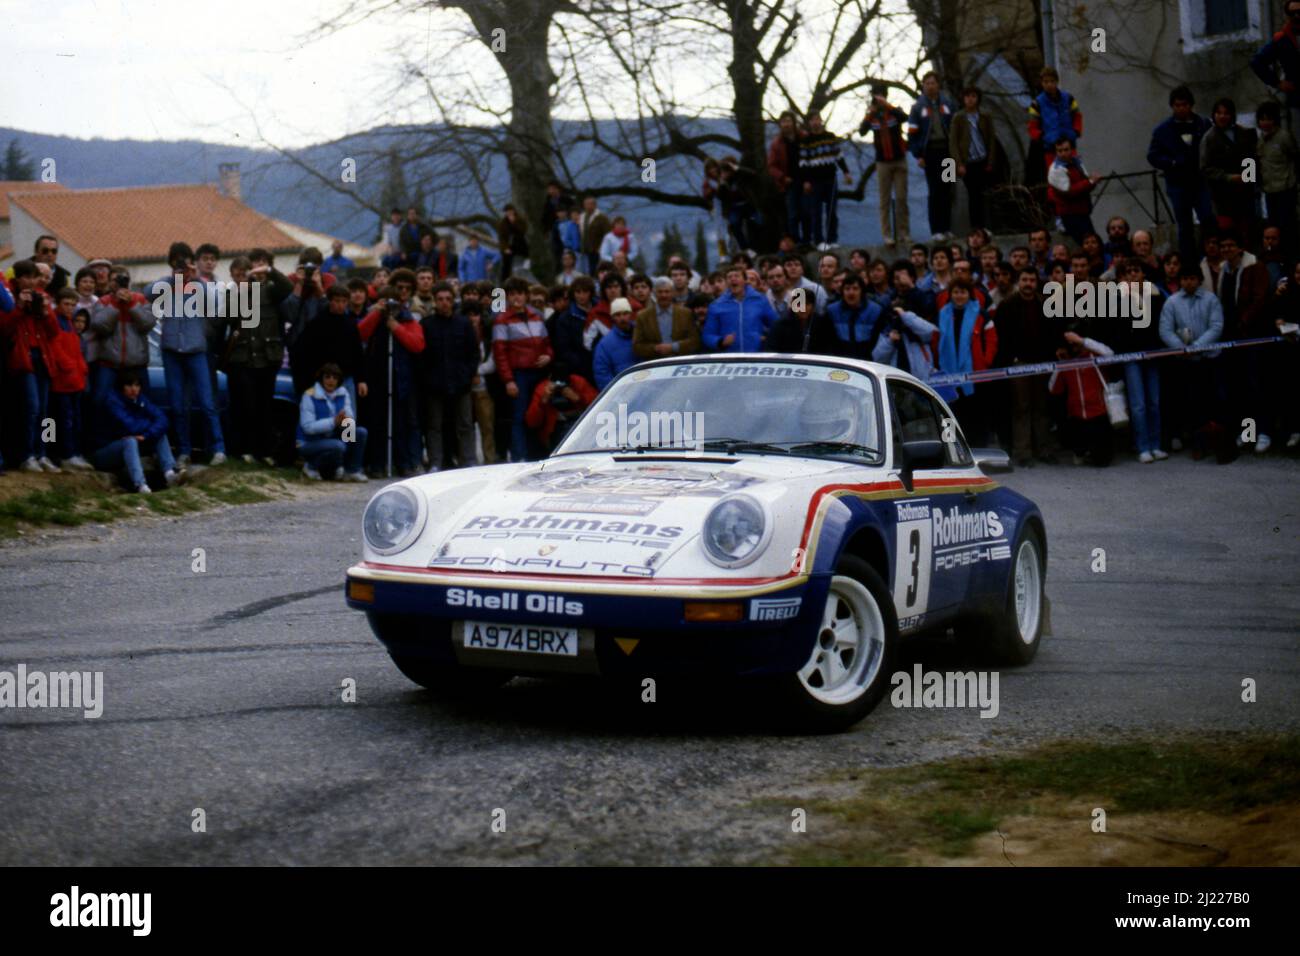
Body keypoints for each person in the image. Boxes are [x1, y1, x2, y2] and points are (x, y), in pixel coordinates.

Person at [223, 257, 290, 466]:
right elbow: (227, 317)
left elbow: (287, 287)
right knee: (245, 408)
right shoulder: (231, 294)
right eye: (238, 274)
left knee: (265, 408)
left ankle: (266, 452)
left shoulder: (268, 290)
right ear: (233, 275)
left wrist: (269, 270)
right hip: (242, 359)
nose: (242, 277)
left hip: (266, 358)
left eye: (246, 273)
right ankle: (245, 450)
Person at [358, 272, 426, 476]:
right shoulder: (373, 316)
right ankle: (377, 464)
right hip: (377, 378)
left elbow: (418, 345)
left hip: (400, 379)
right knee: (377, 423)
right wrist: (377, 313)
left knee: (401, 424)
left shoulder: (407, 318)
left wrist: (395, 327)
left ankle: (402, 462)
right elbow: (360, 334)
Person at [1160, 264, 1227, 461]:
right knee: (1192, 404)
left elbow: (1216, 327)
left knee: (1215, 401)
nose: (1188, 282)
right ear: (1180, 281)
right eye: (1185, 278)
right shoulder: (1171, 302)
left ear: (1199, 280)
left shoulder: (1211, 299)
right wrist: (1182, 348)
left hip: (1211, 359)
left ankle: (1220, 444)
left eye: (1192, 278)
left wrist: (1196, 346)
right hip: (1186, 362)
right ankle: (1198, 445)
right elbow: (1165, 330)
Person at [993, 268, 1057, 465]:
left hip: (1041, 362)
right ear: (1018, 282)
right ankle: (1023, 453)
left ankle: (1044, 449)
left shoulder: (1045, 304)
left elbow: (1052, 332)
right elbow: (1001, 336)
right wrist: (1010, 359)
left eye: (1032, 280)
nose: (1028, 283)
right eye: (1024, 280)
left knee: (1042, 406)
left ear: (1037, 282)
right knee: (1021, 407)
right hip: (1018, 362)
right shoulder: (1007, 305)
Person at [1147, 86, 1215, 262]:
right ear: (1172, 106)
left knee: (1207, 218)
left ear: (1190, 105)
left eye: (1184, 105)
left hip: (1200, 182)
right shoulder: (1163, 130)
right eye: (1177, 105)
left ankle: (1210, 255)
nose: (1181, 109)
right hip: (1178, 184)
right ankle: (1189, 261)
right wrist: (1172, 163)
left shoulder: (1203, 124)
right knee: (1184, 226)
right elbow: (1152, 155)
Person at [418, 282, 479, 471]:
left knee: (465, 424)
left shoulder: (463, 323)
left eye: (448, 299)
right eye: (440, 299)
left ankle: (468, 460)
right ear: (435, 302)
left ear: (453, 301)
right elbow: (422, 355)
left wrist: (468, 375)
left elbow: (473, 352)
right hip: (434, 385)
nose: (444, 303)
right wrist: (427, 378)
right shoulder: (426, 324)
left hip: (461, 383)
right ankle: (436, 461)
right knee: (434, 426)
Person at [1111, 260, 1167, 463]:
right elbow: (1115, 329)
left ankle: (1156, 444)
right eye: (1128, 271)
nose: (1133, 274)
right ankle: (1142, 447)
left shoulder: (1156, 295)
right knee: (1138, 404)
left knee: (1154, 401)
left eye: (1136, 270)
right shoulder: (1117, 298)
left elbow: (1162, 323)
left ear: (1144, 274)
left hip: (1152, 353)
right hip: (1130, 355)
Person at [492, 276, 553, 462]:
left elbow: (547, 343)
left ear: (526, 295)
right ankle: (519, 457)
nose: (516, 298)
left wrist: (548, 356)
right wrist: (509, 380)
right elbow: (499, 353)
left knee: (538, 413)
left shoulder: (537, 316)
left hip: (539, 372)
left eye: (520, 293)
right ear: (507, 297)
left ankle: (538, 455)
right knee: (519, 417)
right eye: (512, 294)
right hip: (519, 374)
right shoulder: (502, 320)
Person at [92, 369, 183, 492]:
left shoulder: (141, 399)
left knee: (159, 433)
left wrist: (147, 435)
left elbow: (163, 419)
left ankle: (170, 474)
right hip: (105, 451)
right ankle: (140, 485)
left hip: (134, 442)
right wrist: (149, 427)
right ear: (121, 387)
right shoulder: (112, 401)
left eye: (137, 385)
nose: (134, 389)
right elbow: (131, 426)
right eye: (129, 385)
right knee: (130, 441)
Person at [931, 279, 997, 442]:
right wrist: (936, 363)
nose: (959, 296)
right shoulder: (942, 314)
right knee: (948, 411)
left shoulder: (981, 314)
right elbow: (935, 340)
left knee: (975, 412)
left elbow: (992, 340)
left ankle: (977, 447)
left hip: (975, 374)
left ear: (970, 294)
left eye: (963, 292)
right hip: (947, 374)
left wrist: (985, 360)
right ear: (950, 294)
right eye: (956, 292)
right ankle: (951, 448)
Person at [88, 266, 155, 403]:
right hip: (109, 364)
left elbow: (148, 324)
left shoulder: (140, 300)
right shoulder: (104, 302)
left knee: (144, 402)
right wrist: (115, 305)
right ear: (109, 282)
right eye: (115, 280)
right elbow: (99, 326)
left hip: (136, 365)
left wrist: (131, 305)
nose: (119, 283)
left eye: (123, 279)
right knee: (100, 401)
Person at [1049, 327, 1114, 466]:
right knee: (1077, 448)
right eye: (1071, 344)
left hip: (1099, 413)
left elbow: (1110, 354)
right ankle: (1080, 450)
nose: (1074, 347)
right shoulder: (1066, 363)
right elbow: (1053, 389)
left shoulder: (1094, 355)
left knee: (1102, 461)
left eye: (1076, 344)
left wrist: (1081, 340)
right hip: (1077, 417)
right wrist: (1060, 364)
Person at [907, 71, 958, 240]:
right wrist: (918, 155)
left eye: (933, 83)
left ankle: (947, 228)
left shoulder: (948, 104)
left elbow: (955, 128)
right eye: (927, 83)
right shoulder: (917, 108)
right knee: (935, 190)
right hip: (930, 153)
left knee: (947, 188)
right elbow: (912, 134)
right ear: (923, 85)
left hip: (947, 152)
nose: (930, 86)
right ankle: (936, 230)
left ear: (938, 85)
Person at [1199, 98, 1259, 239]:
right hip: (1222, 196)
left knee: (1248, 231)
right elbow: (1205, 168)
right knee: (1227, 234)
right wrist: (1228, 177)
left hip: (1245, 193)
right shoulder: (1209, 138)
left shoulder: (1244, 133)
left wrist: (1248, 178)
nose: (1222, 116)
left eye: (1226, 113)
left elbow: (1251, 157)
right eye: (1219, 113)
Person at [297, 362, 367, 481]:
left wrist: (346, 420)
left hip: (332, 437)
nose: (331, 381)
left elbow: (350, 416)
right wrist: (333, 422)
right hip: (309, 442)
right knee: (338, 445)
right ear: (321, 378)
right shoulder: (309, 395)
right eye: (327, 377)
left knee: (359, 432)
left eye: (335, 378)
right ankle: (311, 467)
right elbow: (307, 427)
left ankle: (351, 470)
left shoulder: (343, 393)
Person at [860, 84, 911, 247]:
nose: (878, 98)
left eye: (881, 95)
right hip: (882, 162)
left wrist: (887, 106)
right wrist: (870, 114)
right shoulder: (871, 116)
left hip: (899, 159)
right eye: (876, 95)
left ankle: (904, 233)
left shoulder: (895, 112)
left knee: (901, 197)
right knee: (884, 200)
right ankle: (887, 235)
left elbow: (905, 118)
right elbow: (862, 131)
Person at [48, 289, 91, 470]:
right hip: (61, 380)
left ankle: (72, 452)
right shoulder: (55, 321)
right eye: (66, 303)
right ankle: (58, 453)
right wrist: (70, 366)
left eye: (73, 305)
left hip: (74, 380)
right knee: (56, 419)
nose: (70, 308)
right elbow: (55, 348)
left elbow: (76, 351)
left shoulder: (69, 324)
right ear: (58, 303)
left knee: (73, 418)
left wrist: (81, 368)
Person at [950, 86, 1002, 232]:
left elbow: (992, 139)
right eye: (967, 96)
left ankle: (989, 226)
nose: (970, 99)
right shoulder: (958, 117)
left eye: (973, 96)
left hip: (983, 160)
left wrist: (991, 161)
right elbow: (953, 142)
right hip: (968, 162)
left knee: (987, 194)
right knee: (973, 195)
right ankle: (976, 227)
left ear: (978, 98)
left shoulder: (985, 116)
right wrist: (959, 163)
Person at [799, 110, 852, 250]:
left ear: (821, 121)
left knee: (832, 211)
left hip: (830, 178)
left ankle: (832, 239)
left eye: (818, 119)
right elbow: (803, 163)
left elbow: (839, 156)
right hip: (815, 180)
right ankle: (819, 240)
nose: (816, 122)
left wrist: (846, 171)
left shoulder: (830, 137)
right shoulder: (806, 141)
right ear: (809, 123)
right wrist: (806, 181)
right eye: (813, 120)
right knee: (816, 211)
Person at [1255, 100, 1299, 258]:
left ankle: (1291, 257)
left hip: (1286, 189)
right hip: (1269, 190)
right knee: (1273, 229)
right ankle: (1274, 257)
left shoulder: (1284, 137)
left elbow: (1295, 157)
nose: (1265, 123)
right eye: (1262, 119)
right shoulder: (1259, 140)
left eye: (1269, 119)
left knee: (1288, 227)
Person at [702, 264, 779, 352]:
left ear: (745, 280)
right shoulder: (716, 305)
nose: (733, 279)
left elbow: (776, 326)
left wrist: (766, 339)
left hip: (756, 357)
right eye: (729, 277)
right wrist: (720, 342)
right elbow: (708, 335)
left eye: (737, 276)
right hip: (729, 359)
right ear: (727, 282)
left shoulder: (760, 300)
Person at [1250, 0, 1300, 132]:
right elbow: (1257, 62)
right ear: (1287, 15)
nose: (1297, 16)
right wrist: (1277, 82)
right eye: (1292, 13)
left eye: (1299, 12)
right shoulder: (1282, 39)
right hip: (1297, 101)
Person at [525, 363, 596, 453]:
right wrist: (543, 402)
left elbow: (599, 404)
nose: (559, 386)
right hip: (555, 430)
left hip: (579, 424)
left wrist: (579, 398)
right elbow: (532, 422)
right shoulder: (543, 388)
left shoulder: (578, 382)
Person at [1047, 137, 1103, 243]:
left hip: (1082, 211)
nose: (1063, 153)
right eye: (1060, 151)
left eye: (1066, 150)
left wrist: (1092, 182)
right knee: (1085, 243)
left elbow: (1084, 184)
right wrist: (1090, 182)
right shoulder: (1056, 170)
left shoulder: (1076, 162)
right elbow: (1069, 192)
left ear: (1071, 149)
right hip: (1070, 215)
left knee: (1090, 242)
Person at [633, 277, 701, 361]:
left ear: (673, 293)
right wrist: (655, 348)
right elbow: (637, 346)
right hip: (654, 364)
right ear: (654, 293)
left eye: (667, 292)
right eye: (660, 292)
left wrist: (673, 347)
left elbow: (695, 341)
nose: (663, 295)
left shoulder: (686, 313)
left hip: (681, 363)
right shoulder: (643, 316)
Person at [1027, 66, 1083, 168]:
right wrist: (1043, 137)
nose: (1049, 84)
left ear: (1057, 81)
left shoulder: (1068, 98)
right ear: (1042, 83)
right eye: (1045, 82)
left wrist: (1076, 131)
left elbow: (1077, 116)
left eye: (1052, 81)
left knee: (1074, 176)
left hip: (1070, 146)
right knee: (1056, 179)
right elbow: (1032, 127)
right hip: (1051, 149)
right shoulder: (1037, 104)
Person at [823, 274, 884, 361]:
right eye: (847, 289)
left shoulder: (876, 310)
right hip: (839, 358)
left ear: (862, 291)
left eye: (855, 289)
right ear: (842, 292)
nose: (851, 292)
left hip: (868, 358)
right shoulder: (831, 310)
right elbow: (828, 341)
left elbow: (878, 341)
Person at [464, 300, 497, 464]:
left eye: (475, 315)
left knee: (487, 427)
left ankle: (489, 459)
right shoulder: (461, 333)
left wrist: (477, 372)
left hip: (484, 387)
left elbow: (493, 361)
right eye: (468, 315)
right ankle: (469, 460)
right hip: (465, 386)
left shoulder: (488, 336)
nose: (472, 319)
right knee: (466, 427)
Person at [768, 110, 805, 243]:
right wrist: (783, 177)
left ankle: (808, 240)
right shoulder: (776, 144)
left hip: (805, 180)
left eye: (789, 121)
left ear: (794, 123)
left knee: (807, 212)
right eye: (783, 122)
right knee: (792, 214)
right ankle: (795, 240)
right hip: (788, 182)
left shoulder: (804, 138)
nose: (786, 124)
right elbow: (771, 166)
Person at [592, 298, 638, 389]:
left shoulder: (642, 334)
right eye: (617, 315)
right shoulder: (605, 344)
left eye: (625, 313)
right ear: (612, 317)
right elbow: (602, 375)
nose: (622, 318)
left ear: (630, 314)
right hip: (622, 394)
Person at [579, 195, 612, 276]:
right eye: (586, 204)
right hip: (585, 249)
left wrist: (602, 247)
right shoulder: (582, 217)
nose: (588, 206)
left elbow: (607, 234)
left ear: (594, 205)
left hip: (597, 249)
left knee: (596, 269)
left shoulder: (601, 218)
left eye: (590, 204)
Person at [497, 205, 530, 279]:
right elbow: (502, 237)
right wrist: (505, 248)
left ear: (514, 211)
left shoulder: (520, 220)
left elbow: (523, 230)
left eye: (510, 211)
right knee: (506, 266)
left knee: (521, 262)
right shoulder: (503, 223)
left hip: (520, 244)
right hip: (508, 246)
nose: (509, 213)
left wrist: (514, 222)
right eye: (507, 212)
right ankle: (504, 281)